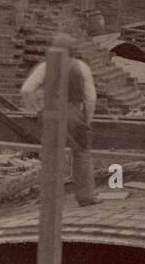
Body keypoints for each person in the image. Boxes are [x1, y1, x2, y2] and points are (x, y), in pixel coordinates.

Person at [18, 33, 99, 207]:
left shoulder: (45, 67)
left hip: (51, 114)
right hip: (74, 114)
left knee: (52, 155)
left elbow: (26, 89)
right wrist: (87, 119)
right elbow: (90, 98)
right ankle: (86, 197)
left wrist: (37, 108)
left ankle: (51, 200)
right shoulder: (81, 66)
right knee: (82, 154)